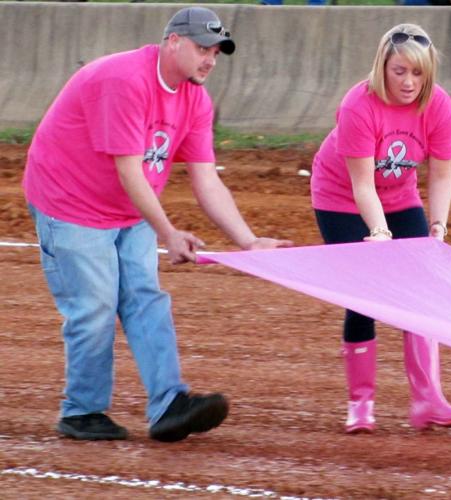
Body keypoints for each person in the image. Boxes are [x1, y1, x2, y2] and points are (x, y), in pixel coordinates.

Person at [22, 7, 293, 442]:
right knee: (94, 307)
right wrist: (168, 232)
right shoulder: (125, 81)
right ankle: (81, 412)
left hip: (128, 208)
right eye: (203, 48)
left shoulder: (195, 100)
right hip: (69, 201)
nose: (210, 59)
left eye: (217, 52)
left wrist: (248, 240)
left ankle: (170, 404)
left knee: (146, 298)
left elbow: (206, 178)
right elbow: (130, 170)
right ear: (172, 42)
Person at [311, 23, 451, 434]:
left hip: (400, 196)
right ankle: (360, 404)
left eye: (418, 73)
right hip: (341, 198)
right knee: (364, 295)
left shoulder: (438, 105)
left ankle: (428, 400)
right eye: (399, 71)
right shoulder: (358, 105)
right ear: (382, 67)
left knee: (422, 292)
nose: (409, 82)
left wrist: (438, 226)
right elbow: (362, 184)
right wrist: (380, 233)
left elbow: (440, 176)